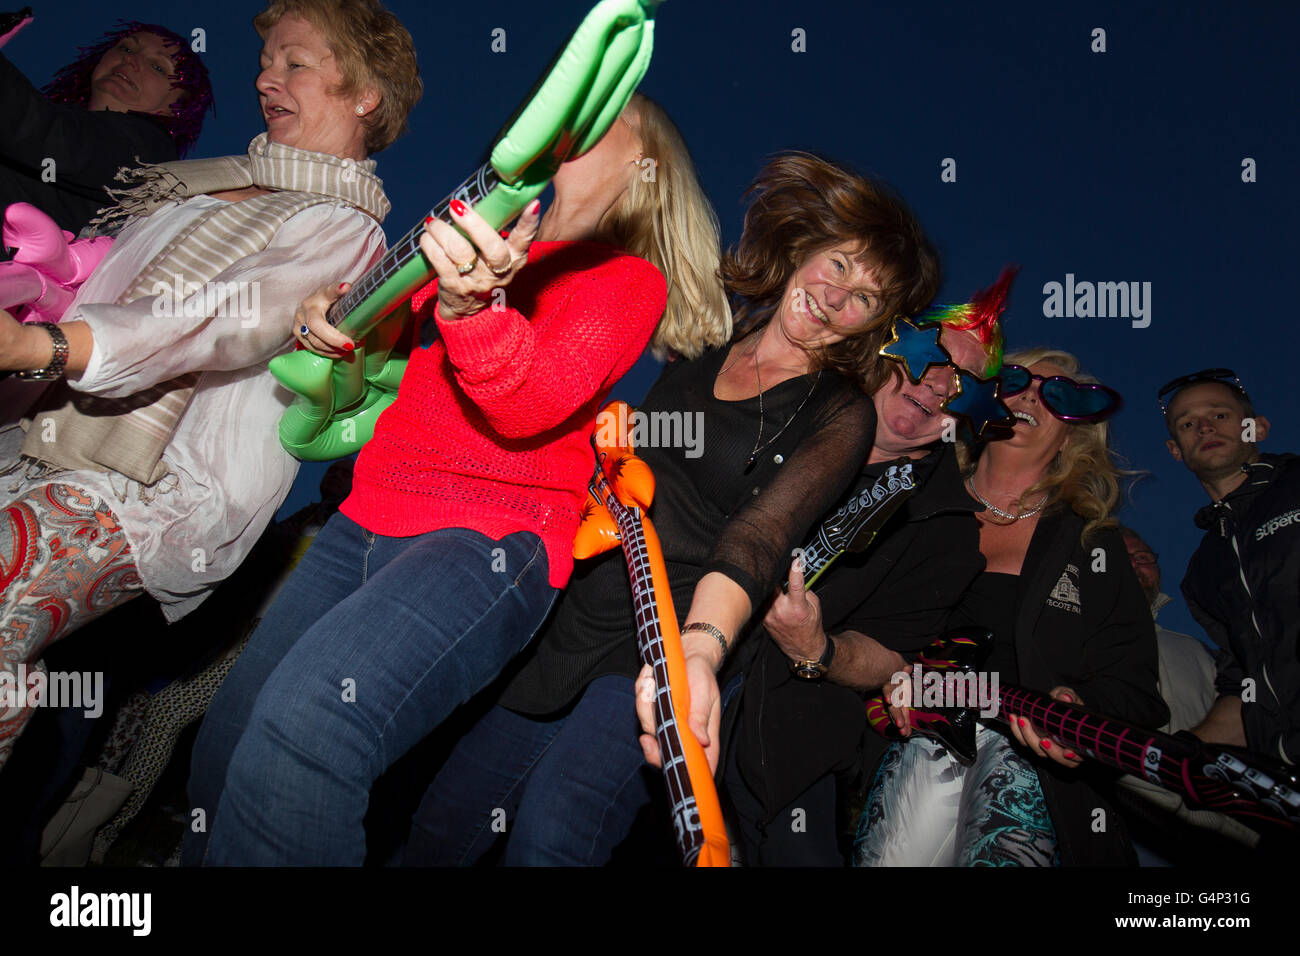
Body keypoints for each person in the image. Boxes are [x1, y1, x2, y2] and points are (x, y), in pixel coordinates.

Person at [187, 92, 734, 866]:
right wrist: (330, 324)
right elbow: (376, 343)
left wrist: (473, 309)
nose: (566, 127)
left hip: (486, 540)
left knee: (311, 732)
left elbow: (531, 402)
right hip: (363, 519)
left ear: (647, 171)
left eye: (602, 118)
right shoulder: (484, 240)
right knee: (226, 749)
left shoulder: (625, 279)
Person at [402, 152, 941, 867]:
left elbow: (760, 535)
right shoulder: (704, 338)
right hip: (584, 601)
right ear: (807, 247)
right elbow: (629, 453)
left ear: (872, 326)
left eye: (866, 298)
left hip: (681, 629)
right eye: (839, 266)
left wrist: (698, 652)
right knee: (445, 823)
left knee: (552, 833)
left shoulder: (840, 415)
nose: (838, 298)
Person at [0, 0, 422, 771]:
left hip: (158, 481)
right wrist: (43, 289)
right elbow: (107, 288)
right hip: (41, 434)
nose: (266, 75)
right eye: (266, 61)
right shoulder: (199, 186)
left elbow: (225, 320)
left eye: (295, 60)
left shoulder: (346, 226)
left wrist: (44, 343)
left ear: (365, 93)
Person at [724, 270, 1015, 866]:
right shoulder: (780, 406)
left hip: (785, 759)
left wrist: (818, 647)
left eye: (962, 384)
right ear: (887, 347)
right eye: (930, 356)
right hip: (651, 685)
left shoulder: (949, 527)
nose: (938, 385)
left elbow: (892, 653)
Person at [854, 348, 1168, 866]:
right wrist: (883, 677)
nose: (1029, 396)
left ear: (1073, 434)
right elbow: (850, 632)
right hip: (905, 758)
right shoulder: (909, 506)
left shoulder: (1094, 543)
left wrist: (1078, 705)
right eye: (1015, 379)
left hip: (1038, 768)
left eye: (1059, 395)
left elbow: (1136, 687)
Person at [1160, 369, 1299, 763]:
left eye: (1219, 415)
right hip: (1280, 791)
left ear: (1258, 428)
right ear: (1176, 450)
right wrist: (1177, 756)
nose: (1204, 427)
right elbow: (1243, 690)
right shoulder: (1204, 568)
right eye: (1187, 423)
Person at [1, 21, 213, 234]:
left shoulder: (150, 150)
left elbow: (51, 137)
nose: (131, 59)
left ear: (177, 107)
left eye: (158, 67)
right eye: (126, 48)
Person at [1117, 526, 1215, 733]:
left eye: (1143, 557)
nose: (1134, 564)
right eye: (1119, 557)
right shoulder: (1075, 644)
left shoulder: (1197, 652)